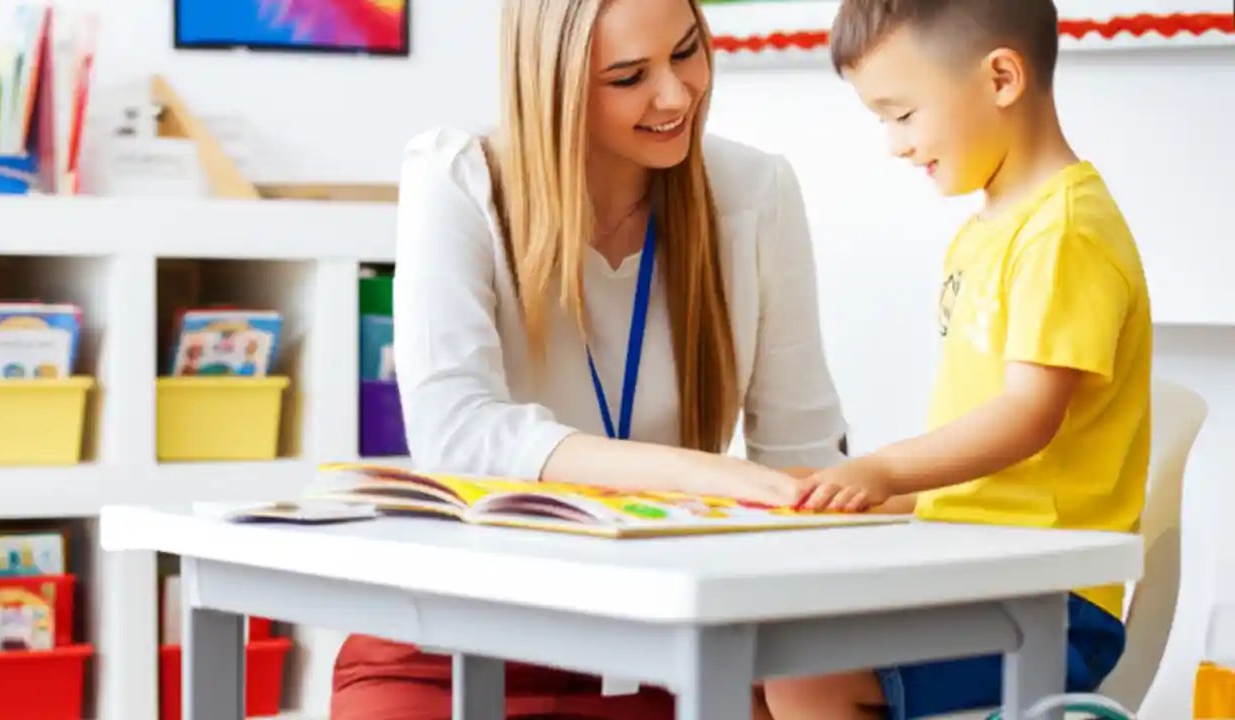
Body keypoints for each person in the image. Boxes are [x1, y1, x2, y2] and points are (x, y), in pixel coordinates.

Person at [330, 0, 849, 717]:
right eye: (629, 76)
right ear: (554, 82)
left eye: (688, 50)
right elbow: (458, 432)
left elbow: (803, 456)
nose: (676, 95)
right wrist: (701, 473)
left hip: (662, 641)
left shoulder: (754, 192)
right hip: (453, 642)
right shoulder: (459, 179)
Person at [762, 1, 1153, 719]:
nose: (894, 144)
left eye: (902, 114)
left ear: (1001, 77)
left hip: (1050, 601)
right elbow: (986, 480)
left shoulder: (1063, 234)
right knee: (752, 655)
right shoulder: (990, 230)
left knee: (801, 670)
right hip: (973, 571)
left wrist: (882, 470)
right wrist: (852, 490)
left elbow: (1027, 419)